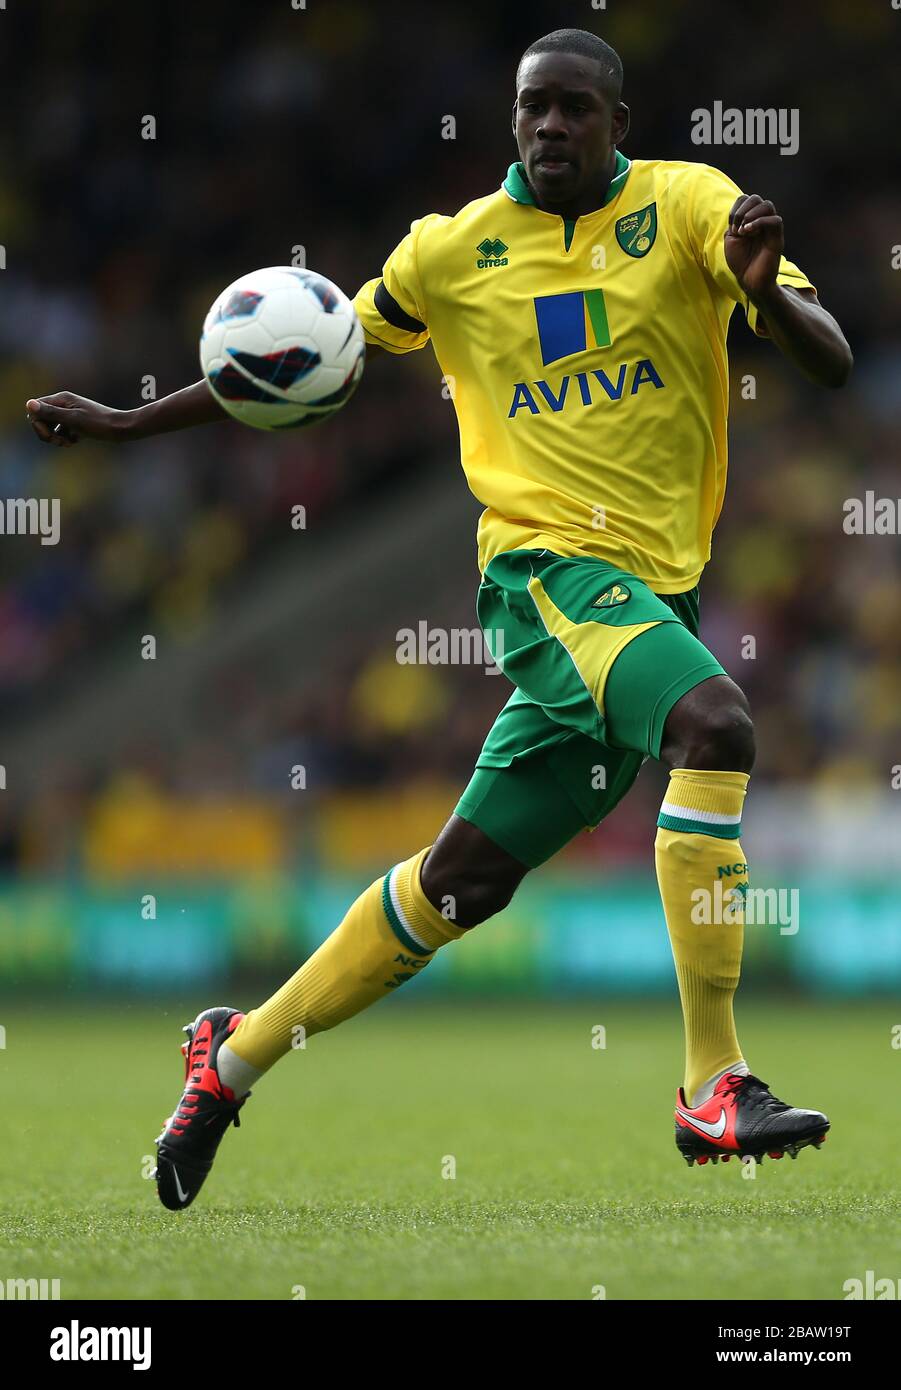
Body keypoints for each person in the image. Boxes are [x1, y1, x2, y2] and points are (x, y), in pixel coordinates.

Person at [27, 29, 852, 1208]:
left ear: (618, 121)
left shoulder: (689, 208)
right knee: (715, 725)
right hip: (545, 575)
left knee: (458, 885)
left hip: (648, 592)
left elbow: (829, 358)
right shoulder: (449, 252)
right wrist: (123, 420)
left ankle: (235, 1054)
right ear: (512, 120)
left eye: (574, 109)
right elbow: (301, 363)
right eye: (532, 110)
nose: (550, 128)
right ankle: (715, 1083)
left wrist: (766, 299)